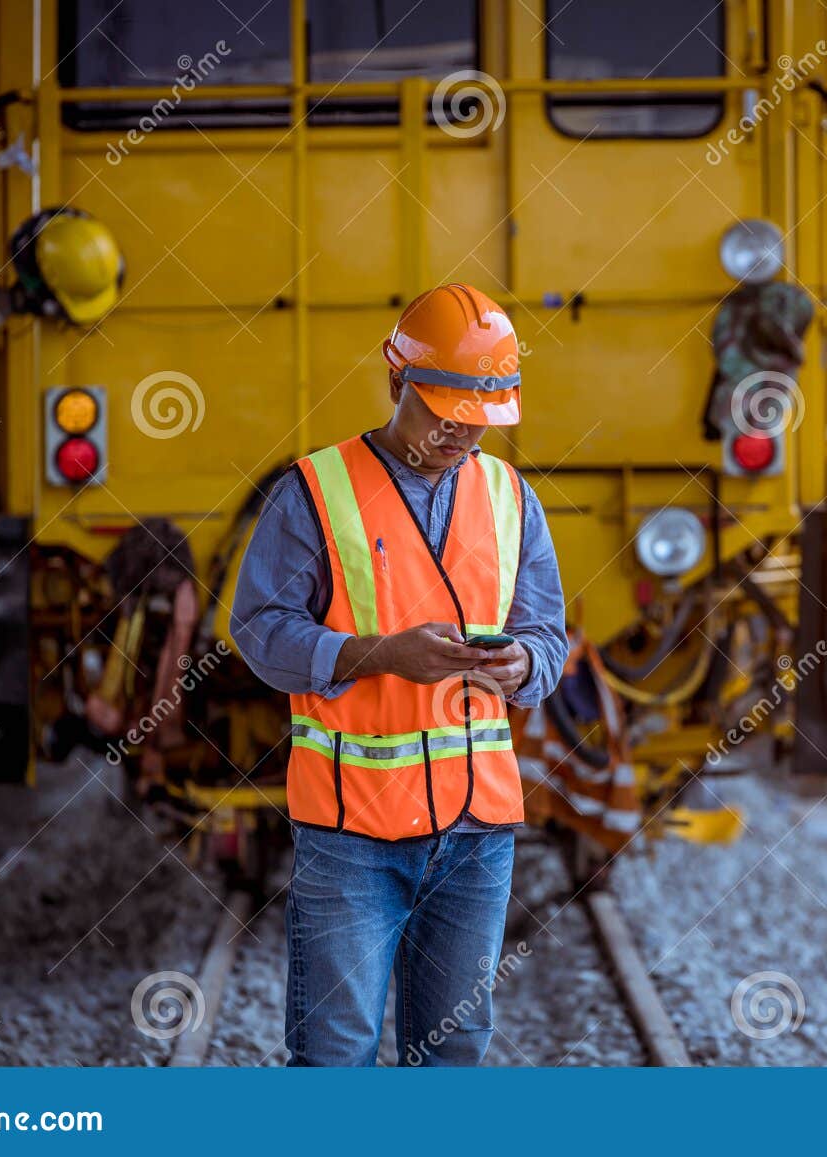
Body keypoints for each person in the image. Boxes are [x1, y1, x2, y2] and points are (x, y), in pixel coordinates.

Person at [231, 283, 568, 1066]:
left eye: (478, 415)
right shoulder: (315, 492)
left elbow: (546, 636)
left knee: (451, 1056)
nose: (459, 430)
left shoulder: (512, 499)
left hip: (477, 831)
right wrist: (379, 654)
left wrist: (523, 664)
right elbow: (258, 633)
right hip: (352, 833)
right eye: (443, 407)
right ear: (396, 381)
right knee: (333, 1055)